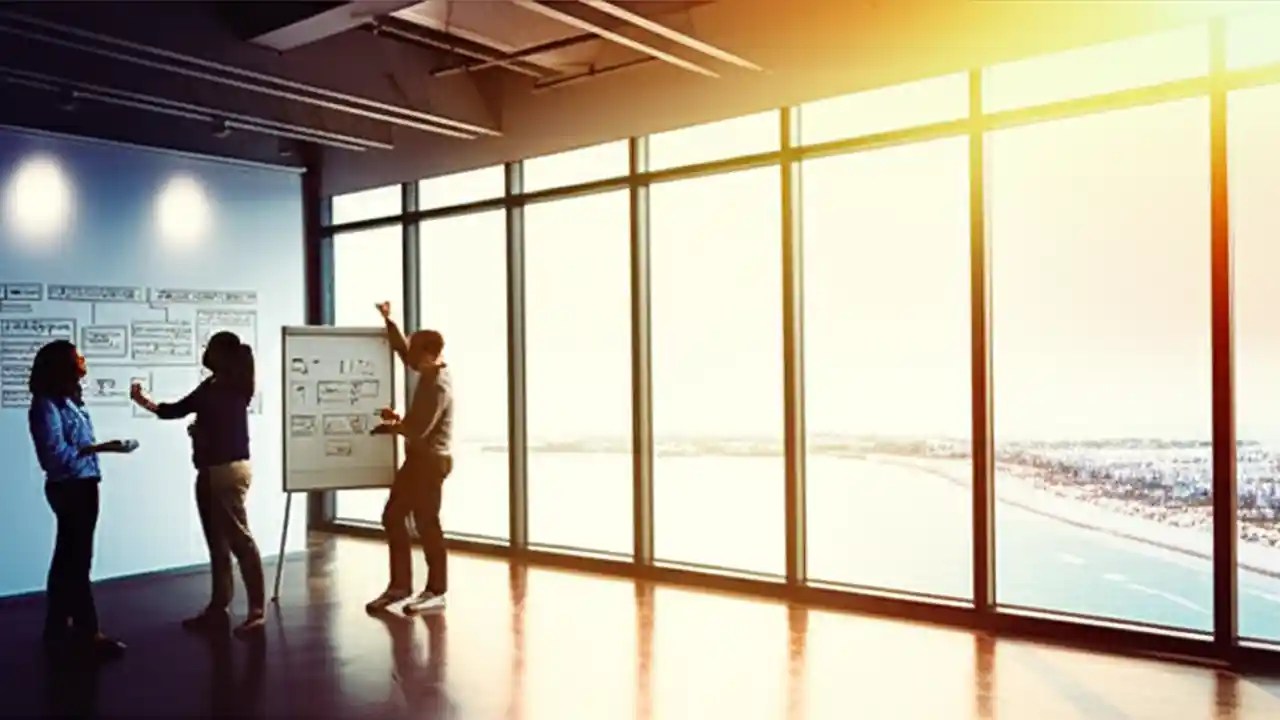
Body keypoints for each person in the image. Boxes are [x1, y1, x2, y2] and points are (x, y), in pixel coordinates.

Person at [130, 331, 266, 637]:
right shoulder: (216, 384)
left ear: (222, 353)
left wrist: (197, 428)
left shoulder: (231, 386)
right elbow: (181, 410)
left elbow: (195, 415)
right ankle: (219, 607)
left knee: (238, 541)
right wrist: (149, 404)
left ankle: (256, 610)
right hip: (210, 469)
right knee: (218, 543)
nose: (205, 351)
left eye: (210, 347)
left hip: (225, 471)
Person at [27, 339, 133, 660]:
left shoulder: (70, 399)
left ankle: (57, 628)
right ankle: (89, 632)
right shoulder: (46, 405)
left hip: (84, 484)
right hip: (70, 487)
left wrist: (97, 450)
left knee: (67, 560)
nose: (83, 359)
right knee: (76, 561)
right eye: (77, 356)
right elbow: (55, 457)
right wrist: (101, 448)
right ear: (62, 364)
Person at [366, 301, 454, 614]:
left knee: (427, 523)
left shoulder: (438, 385)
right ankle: (400, 587)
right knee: (394, 516)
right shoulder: (427, 371)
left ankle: (435, 592)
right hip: (419, 461)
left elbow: (418, 429)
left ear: (430, 354)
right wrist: (389, 320)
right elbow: (404, 351)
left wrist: (392, 426)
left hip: (430, 464)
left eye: (417, 354)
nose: (411, 360)